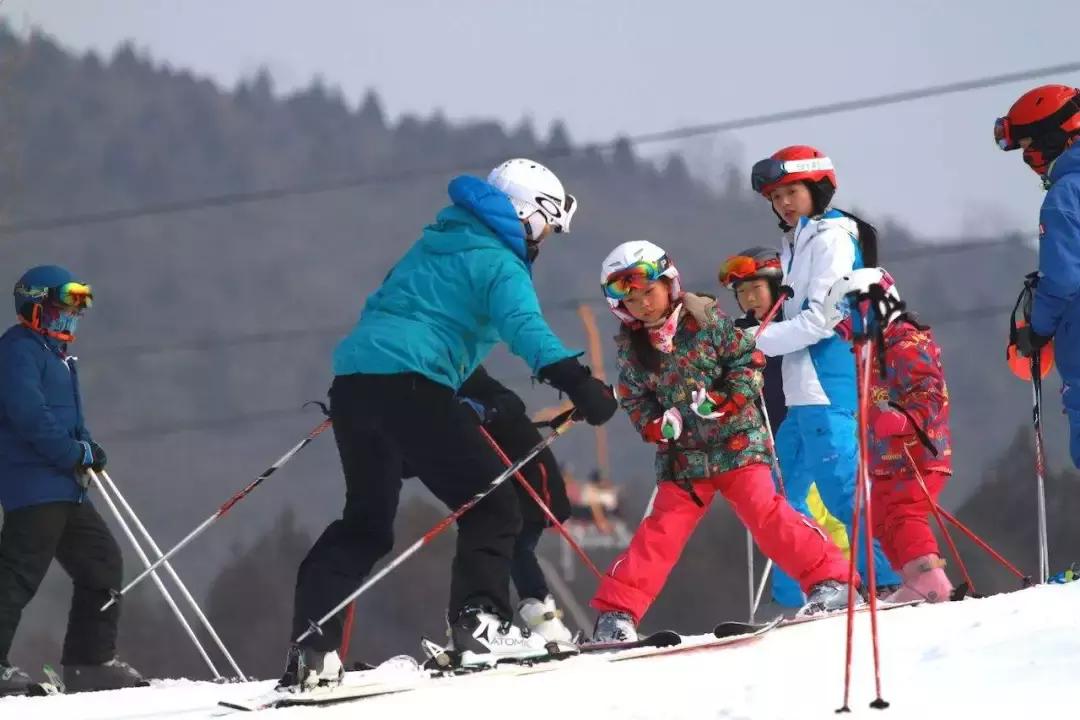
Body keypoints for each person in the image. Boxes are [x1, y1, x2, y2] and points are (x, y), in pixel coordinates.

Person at [282, 159, 617, 688]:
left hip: (353, 387)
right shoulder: (498, 261)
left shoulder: (436, 241)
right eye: (548, 227)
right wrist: (581, 385)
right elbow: (526, 331)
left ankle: (312, 654)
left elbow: (404, 314)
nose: (545, 240)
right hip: (413, 386)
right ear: (529, 216)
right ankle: (481, 624)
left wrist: (469, 384)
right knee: (495, 503)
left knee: (364, 526)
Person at [588, 240, 857, 643]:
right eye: (632, 299)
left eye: (650, 291)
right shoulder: (632, 350)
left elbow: (749, 363)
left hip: (737, 446)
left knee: (766, 516)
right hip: (684, 461)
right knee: (660, 532)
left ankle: (831, 581)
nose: (644, 304)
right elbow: (635, 399)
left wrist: (723, 400)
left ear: (670, 283)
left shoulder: (706, 321)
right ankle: (617, 615)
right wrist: (658, 424)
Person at [748, 146, 901, 599]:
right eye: (776, 197)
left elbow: (821, 319)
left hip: (826, 382)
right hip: (800, 392)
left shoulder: (831, 238)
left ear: (816, 188)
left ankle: (891, 580)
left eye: (792, 192)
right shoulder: (798, 240)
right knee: (777, 499)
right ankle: (814, 585)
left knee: (841, 491)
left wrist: (752, 342)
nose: (784, 203)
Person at [0, 266, 146, 695]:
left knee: (101, 562)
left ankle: (91, 661)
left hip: (65, 484)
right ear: (34, 308)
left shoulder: (55, 355)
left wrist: (85, 445)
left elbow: (65, 420)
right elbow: (29, 416)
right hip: (32, 483)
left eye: (74, 312)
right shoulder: (17, 350)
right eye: (61, 310)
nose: (69, 319)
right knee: (18, 574)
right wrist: (73, 451)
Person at [719, 247, 852, 609]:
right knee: (785, 514)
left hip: (810, 428)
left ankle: (843, 580)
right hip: (772, 440)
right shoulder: (743, 334)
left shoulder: (792, 330)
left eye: (755, 290)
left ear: (779, 288)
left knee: (815, 509)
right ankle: (802, 595)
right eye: (741, 293)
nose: (748, 300)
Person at [823, 268, 954, 602]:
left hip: (917, 452)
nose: (845, 325)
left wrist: (904, 420)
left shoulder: (906, 342)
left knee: (903, 513)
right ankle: (911, 581)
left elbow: (930, 391)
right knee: (881, 516)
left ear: (874, 304)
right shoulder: (873, 349)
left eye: (849, 312)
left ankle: (930, 580)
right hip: (887, 458)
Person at [995, 84, 1080, 468]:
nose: (1030, 160)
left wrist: (1037, 329)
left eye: (1029, 147)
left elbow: (1063, 278)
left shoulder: (1066, 195)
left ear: (1054, 137)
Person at [456, 365, 573, 643]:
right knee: (489, 547)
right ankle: (480, 620)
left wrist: (481, 410)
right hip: (498, 489)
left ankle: (544, 621)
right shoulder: (431, 396)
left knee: (517, 546)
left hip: (531, 481)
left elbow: (511, 403)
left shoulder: (470, 378)